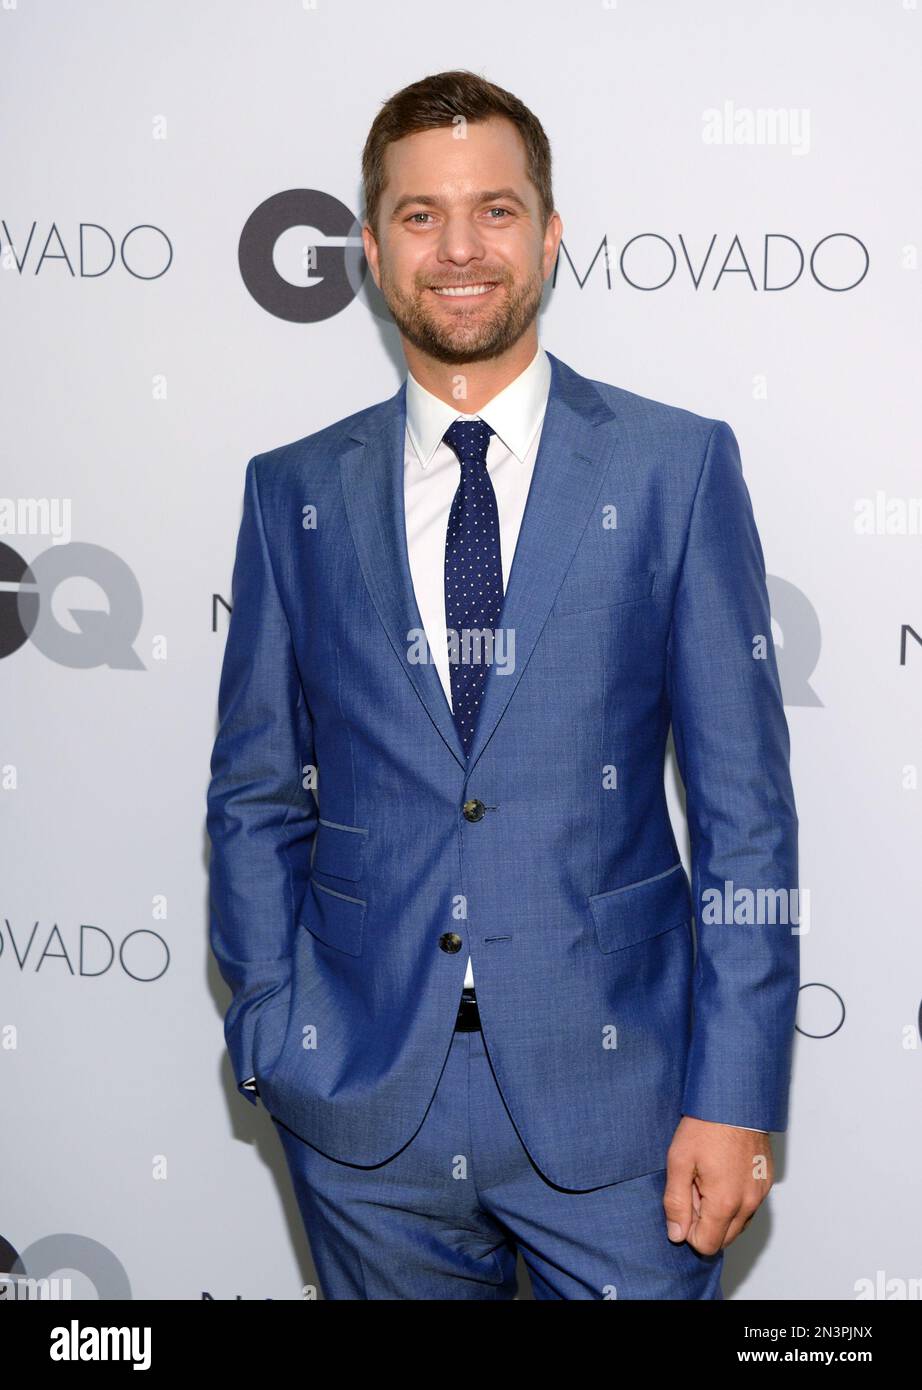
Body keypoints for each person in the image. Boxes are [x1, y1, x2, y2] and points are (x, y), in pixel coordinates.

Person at [206, 69, 799, 1300]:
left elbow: (746, 816)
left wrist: (735, 1095)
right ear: (370, 249)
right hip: (363, 1109)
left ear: (550, 233)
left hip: (625, 1108)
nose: (460, 249)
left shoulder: (672, 467)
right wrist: (273, 1033)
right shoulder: (292, 488)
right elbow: (258, 786)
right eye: (420, 216)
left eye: (495, 210)